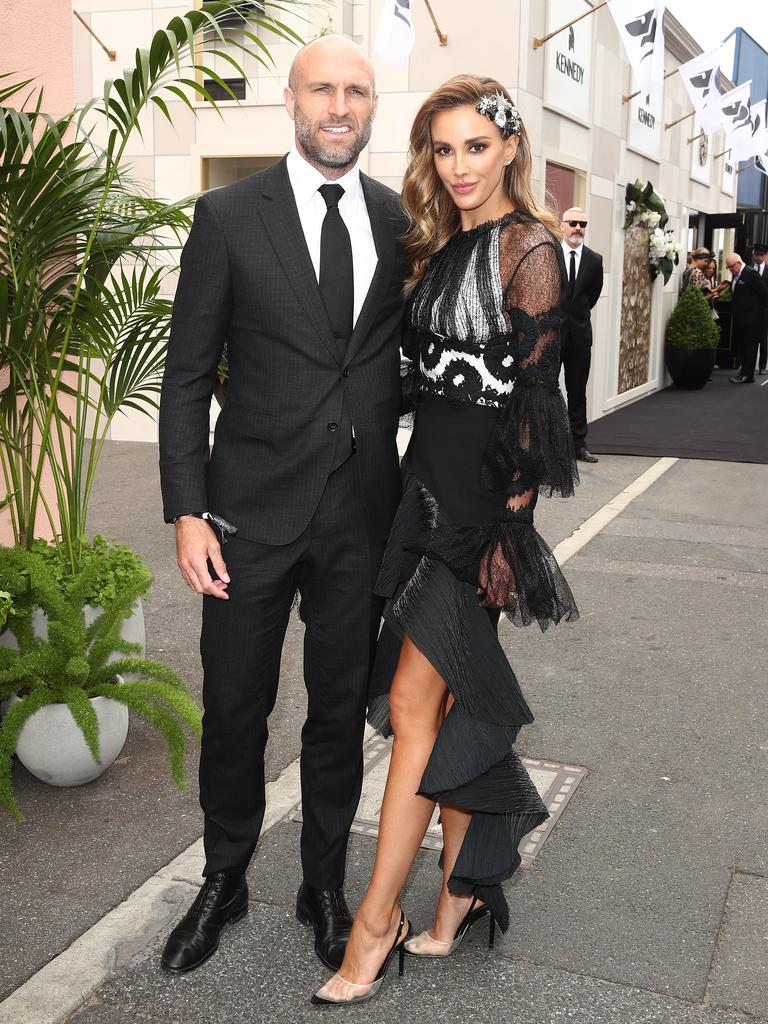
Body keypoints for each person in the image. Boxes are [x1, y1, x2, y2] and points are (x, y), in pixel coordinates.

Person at [312, 74, 579, 1006]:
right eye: (444, 148)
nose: (459, 165)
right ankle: (459, 895)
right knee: (447, 703)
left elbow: (537, 417)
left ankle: (374, 922)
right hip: (420, 494)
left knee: (415, 706)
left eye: (477, 145)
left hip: (476, 517)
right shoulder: (444, 244)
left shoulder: (529, 249)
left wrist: (505, 535)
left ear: (511, 147)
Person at [157, 35, 409, 974]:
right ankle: (225, 879)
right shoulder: (227, 217)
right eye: (322, 89)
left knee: (339, 712)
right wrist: (187, 510)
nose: (339, 105)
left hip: (361, 519)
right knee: (235, 711)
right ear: (291, 102)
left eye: (356, 90)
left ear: (371, 105)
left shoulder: (398, 219)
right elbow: (186, 378)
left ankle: (324, 884)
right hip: (244, 517)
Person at [559, 206, 603, 464]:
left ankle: (578, 445)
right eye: (573, 223)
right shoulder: (550, 254)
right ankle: (548, 446)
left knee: (577, 393)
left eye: (582, 224)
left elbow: (592, 296)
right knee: (548, 390)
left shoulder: (595, 260)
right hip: (552, 336)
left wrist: (578, 318)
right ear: (562, 225)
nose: (577, 228)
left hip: (580, 337)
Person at [725, 252, 768, 384]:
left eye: (731, 267)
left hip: (752, 319)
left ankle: (748, 375)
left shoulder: (750, 273)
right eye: (728, 268)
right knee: (743, 346)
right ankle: (743, 372)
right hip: (742, 319)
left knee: (750, 347)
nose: (730, 270)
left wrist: (757, 311)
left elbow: (764, 293)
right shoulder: (737, 275)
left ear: (738, 263)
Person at [752, 243, 768, 374]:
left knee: (763, 338)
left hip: (764, 309)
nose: (759, 257)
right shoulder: (749, 269)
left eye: (762, 255)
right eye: (757, 255)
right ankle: (748, 365)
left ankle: (762, 366)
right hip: (751, 309)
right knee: (750, 338)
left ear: (766, 256)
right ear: (754, 255)